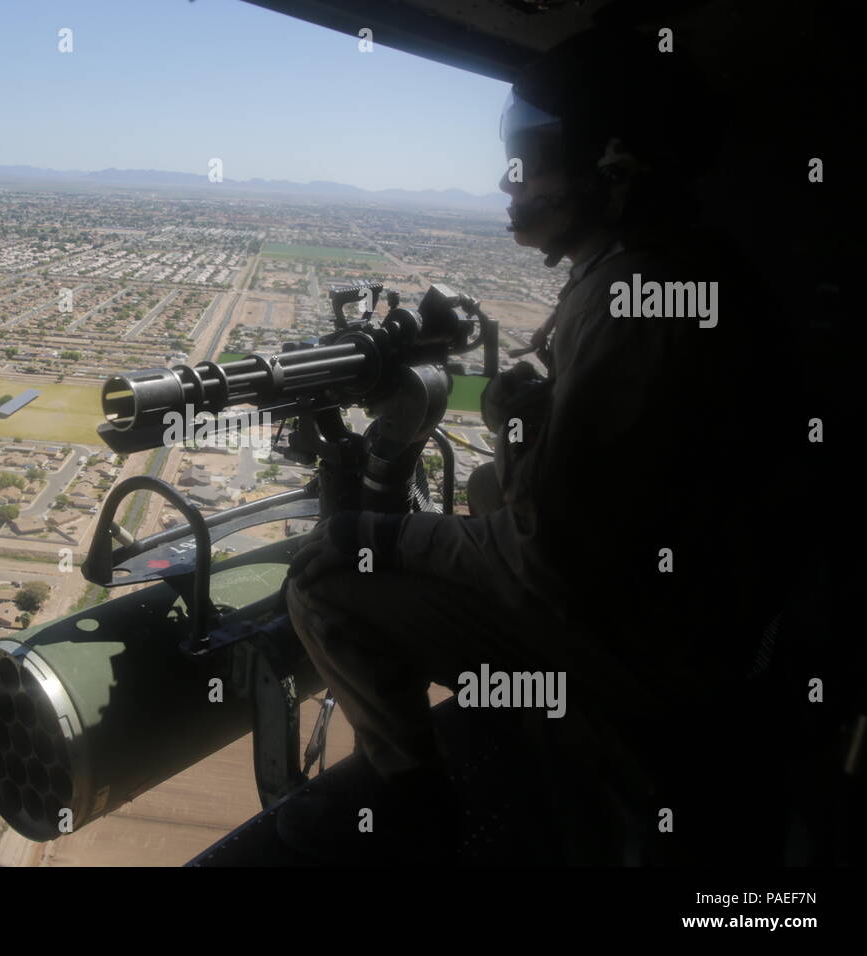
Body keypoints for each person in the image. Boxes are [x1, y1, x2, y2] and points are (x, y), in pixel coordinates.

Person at [278, 27, 790, 865]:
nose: (511, 186)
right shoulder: (684, 269)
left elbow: (550, 562)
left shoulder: (632, 303)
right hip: (702, 633)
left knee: (326, 579)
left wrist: (382, 534)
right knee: (477, 491)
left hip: (645, 658)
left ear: (615, 166)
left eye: (534, 163)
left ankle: (415, 812)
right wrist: (521, 437)